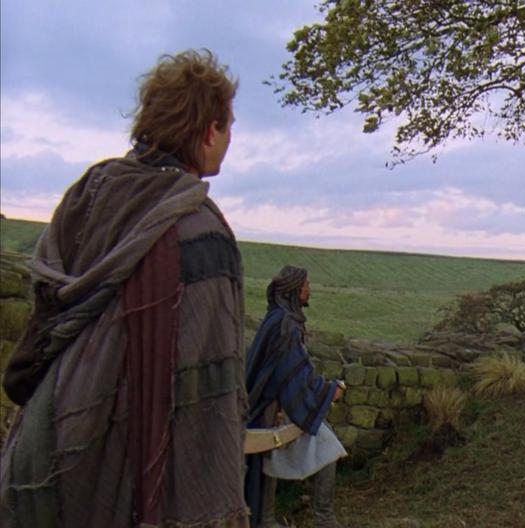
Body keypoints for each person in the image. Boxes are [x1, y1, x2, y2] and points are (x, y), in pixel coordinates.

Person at [1, 50, 248, 526]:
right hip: (125, 479)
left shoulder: (90, 195)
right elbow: (207, 397)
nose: (229, 139)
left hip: (43, 450)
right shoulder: (198, 230)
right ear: (210, 129)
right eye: (228, 125)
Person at [244, 266, 347, 528]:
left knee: (268, 458)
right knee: (324, 444)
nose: (309, 288)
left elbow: (293, 369)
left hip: (270, 403)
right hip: (269, 406)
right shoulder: (284, 324)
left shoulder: (278, 318)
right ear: (293, 290)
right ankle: (322, 518)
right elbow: (293, 372)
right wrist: (327, 390)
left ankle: (269, 519)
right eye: (306, 284)